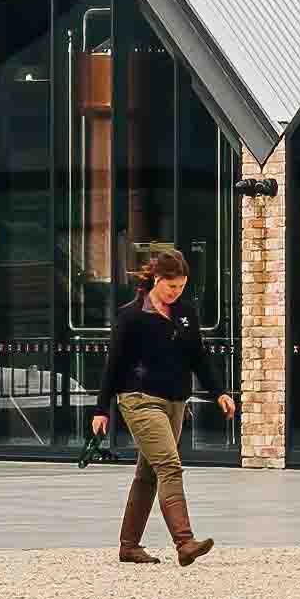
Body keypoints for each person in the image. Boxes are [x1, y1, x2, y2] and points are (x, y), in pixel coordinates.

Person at [96, 241, 215, 569]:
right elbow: (114, 364)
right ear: (157, 280)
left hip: (175, 401)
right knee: (169, 466)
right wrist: (101, 409)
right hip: (139, 399)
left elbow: (198, 358)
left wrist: (219, 392)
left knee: (147, 474)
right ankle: (185, 542)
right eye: (172, 286)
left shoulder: (186, 314)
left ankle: (129, 546)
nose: (177, 292)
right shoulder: (132, 316)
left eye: (182, 287)